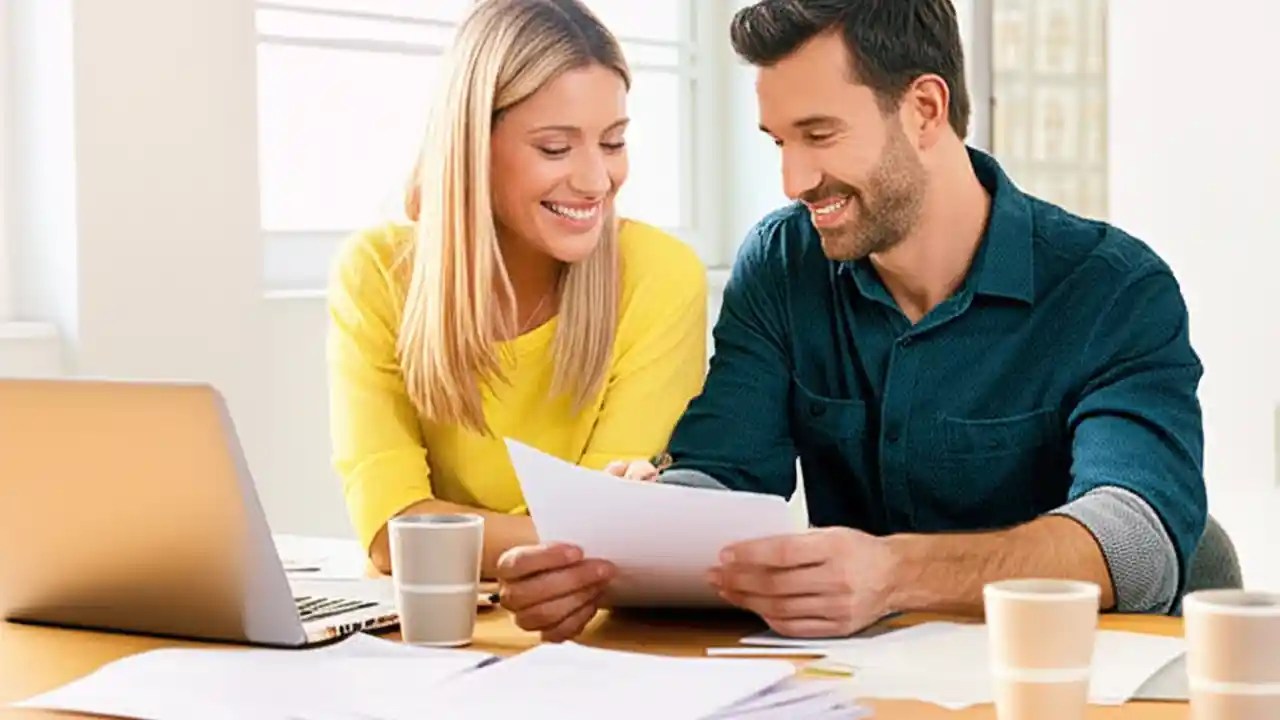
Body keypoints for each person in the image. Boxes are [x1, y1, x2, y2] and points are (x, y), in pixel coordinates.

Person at [495, 0, 1206, 641]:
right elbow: (724, 474)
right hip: (857, 690)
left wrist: (897, 572)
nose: (794, 180)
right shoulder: (781, 264)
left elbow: (1137, 543)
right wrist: (618, 544)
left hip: (1059, 687)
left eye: (819, 134)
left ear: (925, 110)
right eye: (779, 142)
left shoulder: (1113, 289)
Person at [326, 0, 708, 580]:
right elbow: (389, 534)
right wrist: (575, 533)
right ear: (472, 144)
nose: (595, 181)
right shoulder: (376, 274)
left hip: (590, 632)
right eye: (555, 148)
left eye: (612, 143)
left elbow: (602, 531)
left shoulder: (660, 276)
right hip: (441, 630)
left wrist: (444, 532)